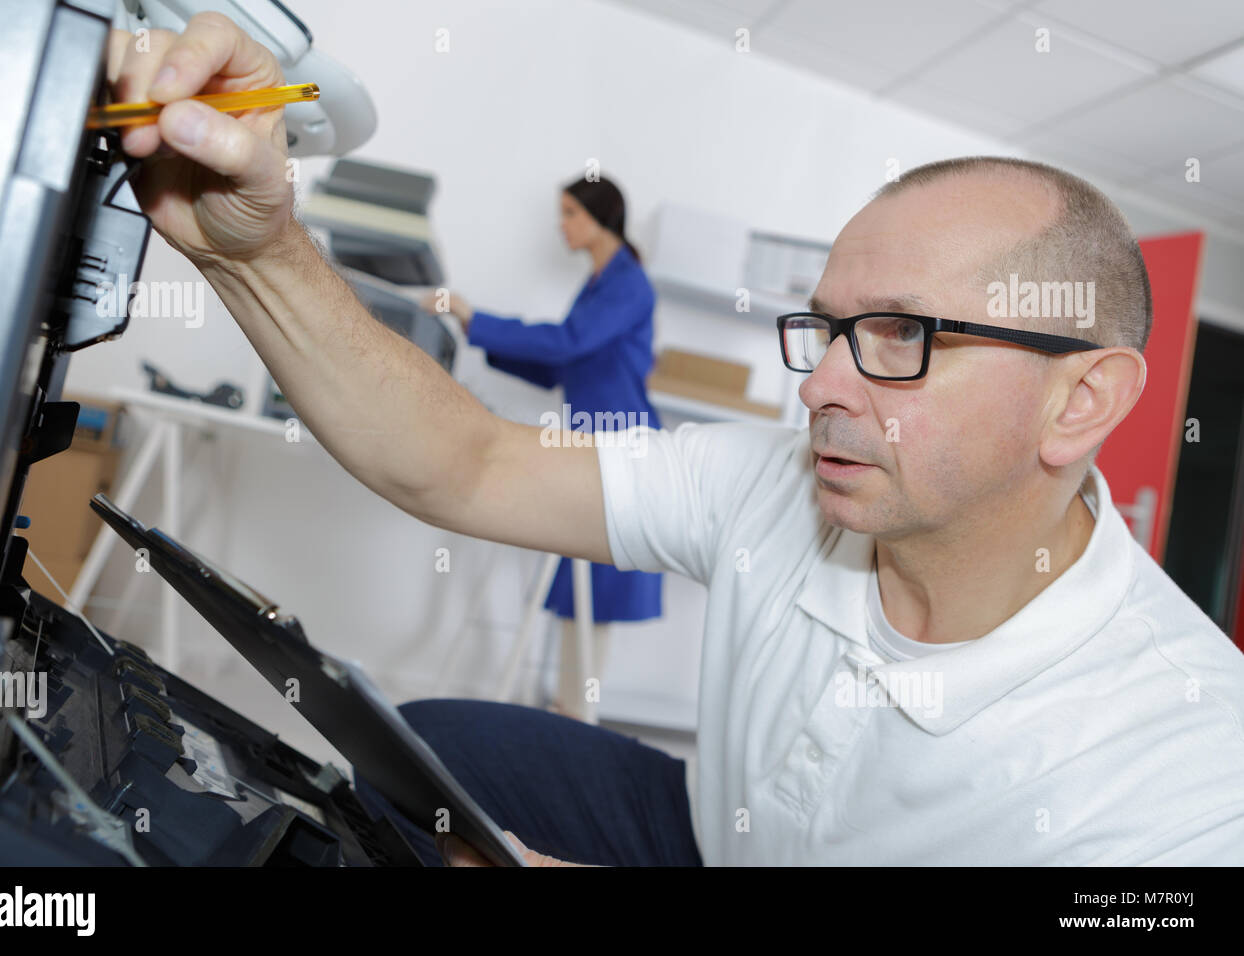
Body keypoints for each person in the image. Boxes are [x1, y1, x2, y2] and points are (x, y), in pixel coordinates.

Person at [108, 15, 1244, 866]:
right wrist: (253, 252)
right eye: (829, 328)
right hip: (722, 835)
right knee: (439, 754)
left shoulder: (1183, 763)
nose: (822, 389)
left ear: (1083, 400)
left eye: (897, 334)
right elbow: (470, 462)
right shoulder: (776, 480)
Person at [417, 176, 664, 722]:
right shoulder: (600, 281)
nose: (561, 224)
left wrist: (475, 317)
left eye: (571, 212)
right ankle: (569, 705)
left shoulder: (628, 282)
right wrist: (474, 333)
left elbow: (568, 343)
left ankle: (577, 712)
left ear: (600, 216)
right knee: (581, 579)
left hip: (622, 442)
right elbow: (560, 364)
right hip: (594, 441)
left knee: (597, 580)